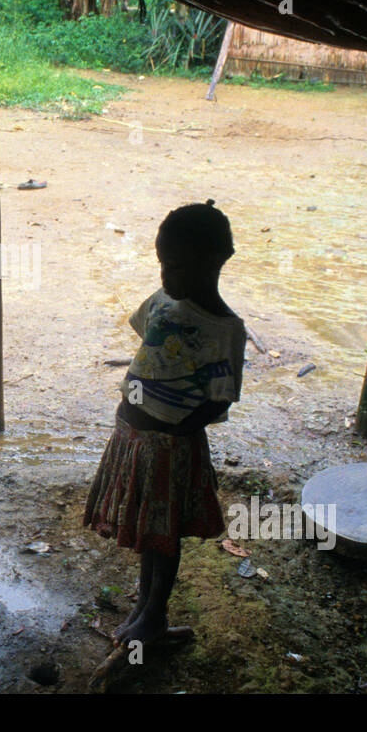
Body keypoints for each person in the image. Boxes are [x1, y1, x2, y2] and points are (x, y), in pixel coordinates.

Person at [84, 200, 246, 646]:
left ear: (217, 260)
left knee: (163, 534)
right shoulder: (163, 301)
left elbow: (221, 401)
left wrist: (174, 429)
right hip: (133, 439)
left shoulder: (224, 329)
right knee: (149, 530)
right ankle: (143, 606)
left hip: (170, 449)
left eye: (174, 265)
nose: (164, 275)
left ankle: (154, 616)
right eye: (161, 264)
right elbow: (151, 344)